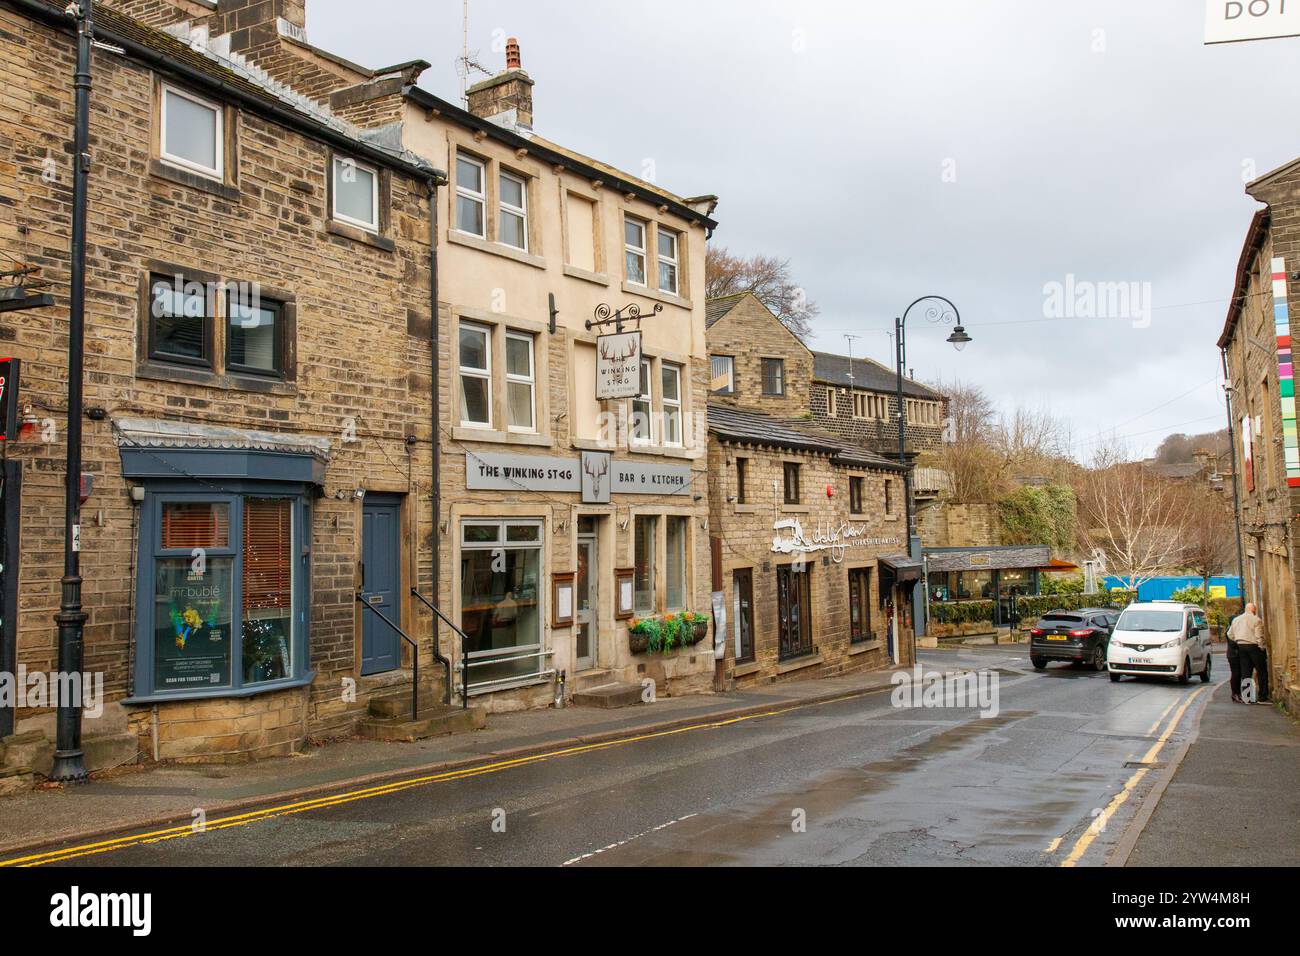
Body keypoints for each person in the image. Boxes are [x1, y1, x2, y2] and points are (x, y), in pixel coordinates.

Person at [1227, 603, 1270, 704]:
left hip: (1241, 646)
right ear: (1253, 610)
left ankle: (1248, 697)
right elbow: (1259, 636)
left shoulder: (1236, 620)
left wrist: (1238, 641)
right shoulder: (1256, 620)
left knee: (1246, 672)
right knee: (1261, 671)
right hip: (1254, 646)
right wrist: (1262, 648)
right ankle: (1262, 696)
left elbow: (1230, 634)